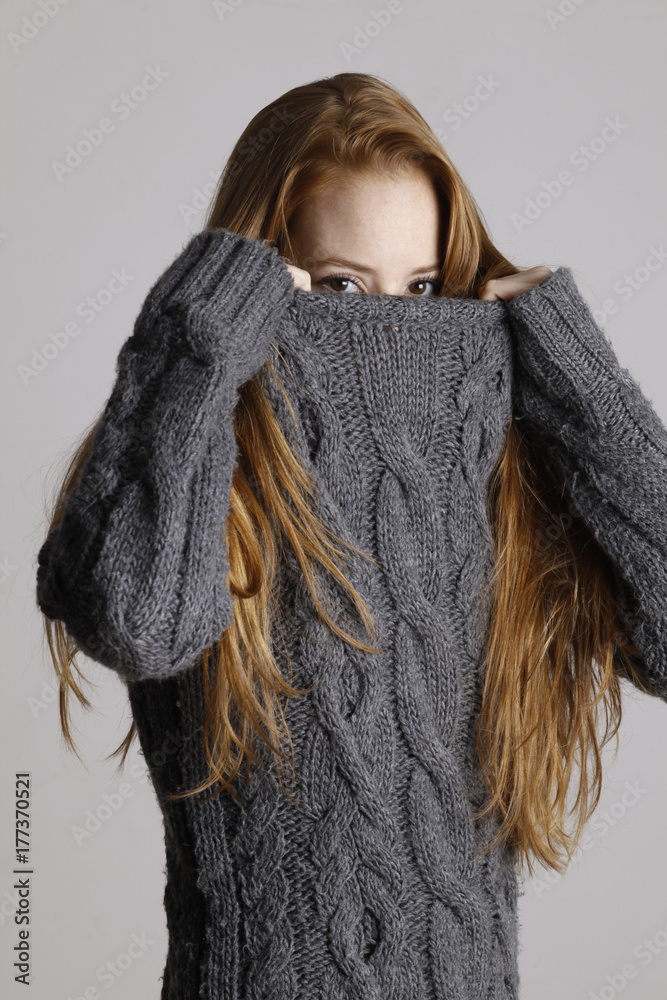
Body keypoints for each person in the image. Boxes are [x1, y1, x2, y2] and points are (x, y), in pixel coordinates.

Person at [35, 72, 667, 998]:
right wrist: (199, 340)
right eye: (337, 286)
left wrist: (581, 384)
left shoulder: (497, 476)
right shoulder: (202, 464)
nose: (385, 325)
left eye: (420, 288)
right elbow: (137, 621)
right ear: (259, 278)